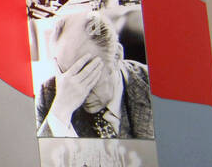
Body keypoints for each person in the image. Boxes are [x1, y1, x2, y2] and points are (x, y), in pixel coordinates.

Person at [36, 10, 153, 138]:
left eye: (88, 76)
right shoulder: (49, 97)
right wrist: (59, 114)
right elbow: (38, 154)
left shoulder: (153, 85)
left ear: (117, 56)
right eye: (68, 76)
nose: (80, 92)